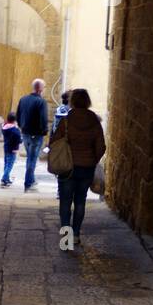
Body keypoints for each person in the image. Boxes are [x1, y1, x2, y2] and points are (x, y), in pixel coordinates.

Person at [51, 88, 106, 247]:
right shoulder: (95, 121)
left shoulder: (67, 120)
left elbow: (55, 141)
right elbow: (101, 146)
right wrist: (93, 159)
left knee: (65, 202)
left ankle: (66, 239)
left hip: (68, 167)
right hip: (86, 167)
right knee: (80, 201)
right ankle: (75, 234)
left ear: (72, 101)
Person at [16, 78, 49, 192]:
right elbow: (43, 118)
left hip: (25, 133)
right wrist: (44, 131)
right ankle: (28, 183)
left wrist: (21, 126)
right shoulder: (41, 102)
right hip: (36, 134)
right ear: (40, 89)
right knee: (32, 159)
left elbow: (18, 114)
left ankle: (32, 180)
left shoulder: (23, 99)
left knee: (30, 157)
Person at [0, 111, 21, 187]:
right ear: (14, 121)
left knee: (6, 164)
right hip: (13, 149)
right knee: (9, 165)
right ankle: (4, 179)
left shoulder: (4, 127)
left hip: (6, 147)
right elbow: (19, 139)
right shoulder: (15, 130)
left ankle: (7, 179)